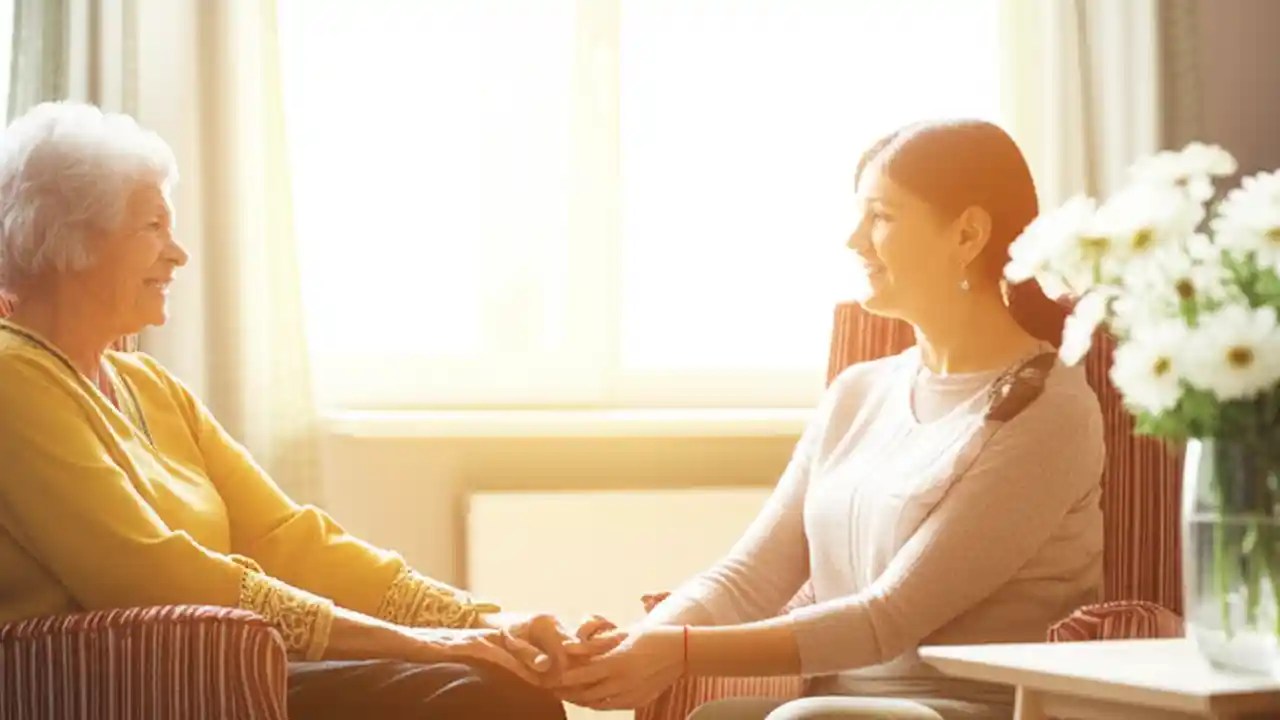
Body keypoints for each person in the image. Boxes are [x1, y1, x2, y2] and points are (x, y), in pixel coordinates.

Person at [0, 101, 615, 719]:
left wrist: (485, 622)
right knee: (480, 696)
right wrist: (426, 645)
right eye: (153, 227)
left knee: (501, 683)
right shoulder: (12, 378)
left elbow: (290, 538)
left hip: (229, 673)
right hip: (131, 690)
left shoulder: (148, 385)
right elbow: (154, 573)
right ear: (70, 239)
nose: (178, 253)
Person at [553, 120, 1106, 719]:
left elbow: (888, 617)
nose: (854, 240)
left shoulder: (1048, 407)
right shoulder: (858, 392)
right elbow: (748, 577)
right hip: (836, 708)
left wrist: (679, 651)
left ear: (968, 234)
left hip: (973, 709)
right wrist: (640, 641)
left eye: (881, 217)